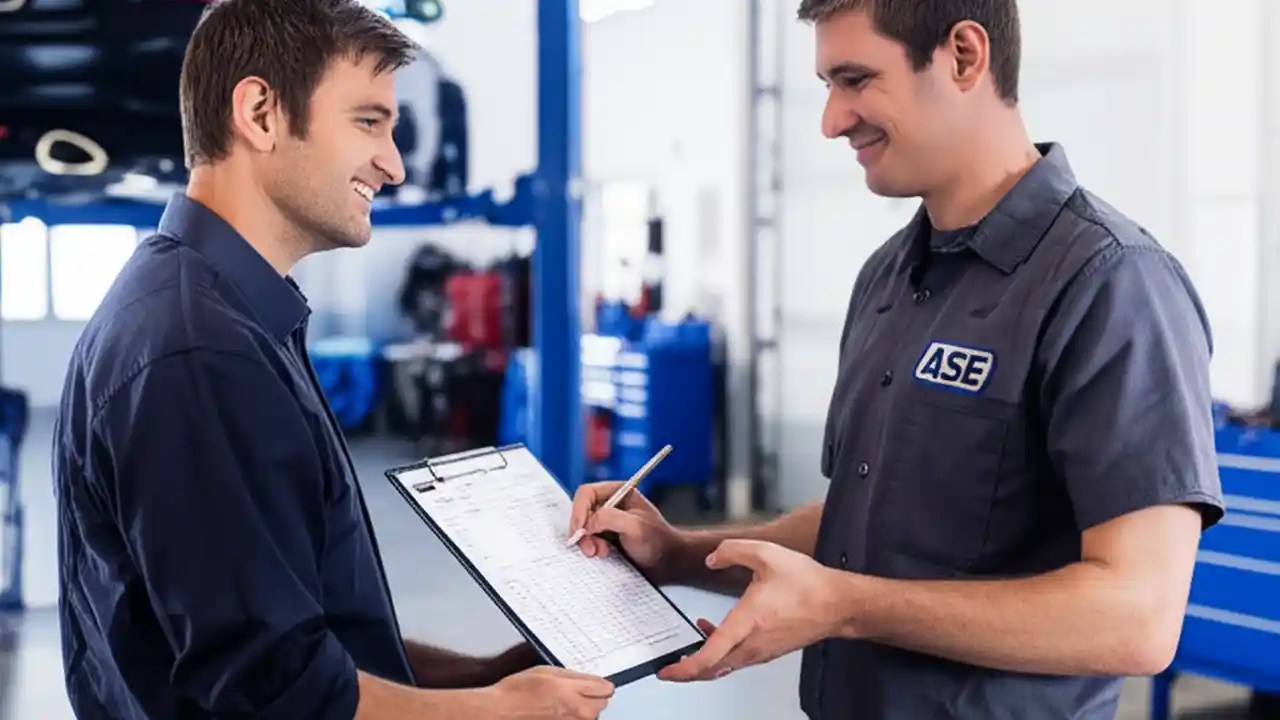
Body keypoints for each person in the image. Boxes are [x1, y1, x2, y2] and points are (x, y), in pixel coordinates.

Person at [570, 1, 1226, 718]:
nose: (832, 121)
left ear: (965, 57)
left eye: (856, 80)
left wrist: (845, 606)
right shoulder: (888, 277)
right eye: (827, 85)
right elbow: (864, 522)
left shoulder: (1111, 284)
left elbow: (1136, 619)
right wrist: (677, 554)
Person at [51, 1, 613, 718]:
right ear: (260, 114)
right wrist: (498, 712)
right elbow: (279, 693)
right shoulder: (199, 352)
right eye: (368, 122)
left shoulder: (223, 314)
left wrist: (490, 677)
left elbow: (302, 634)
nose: (394, 164)